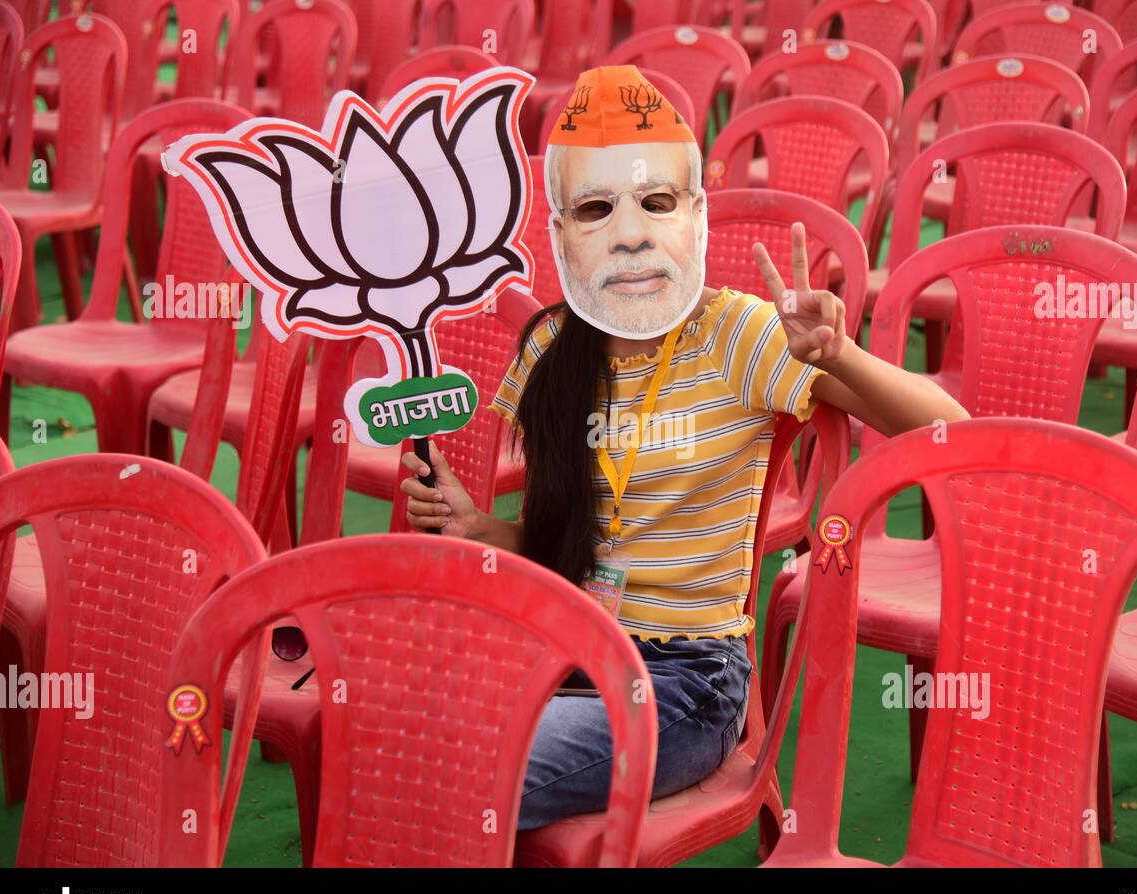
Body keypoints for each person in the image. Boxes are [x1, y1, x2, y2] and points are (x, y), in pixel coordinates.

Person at [400, 65, 969, 830]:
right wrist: (480, 529)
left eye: (657, 202)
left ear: (694, 214)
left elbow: (950, 427)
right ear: (562, 229)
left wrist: (840, 355)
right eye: (596, 207)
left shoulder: (737, 332)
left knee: (469, 765)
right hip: (565, 644)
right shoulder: (550, 349)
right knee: (392, 733)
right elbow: (573, 547)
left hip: (684, 679)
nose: (630, 232)